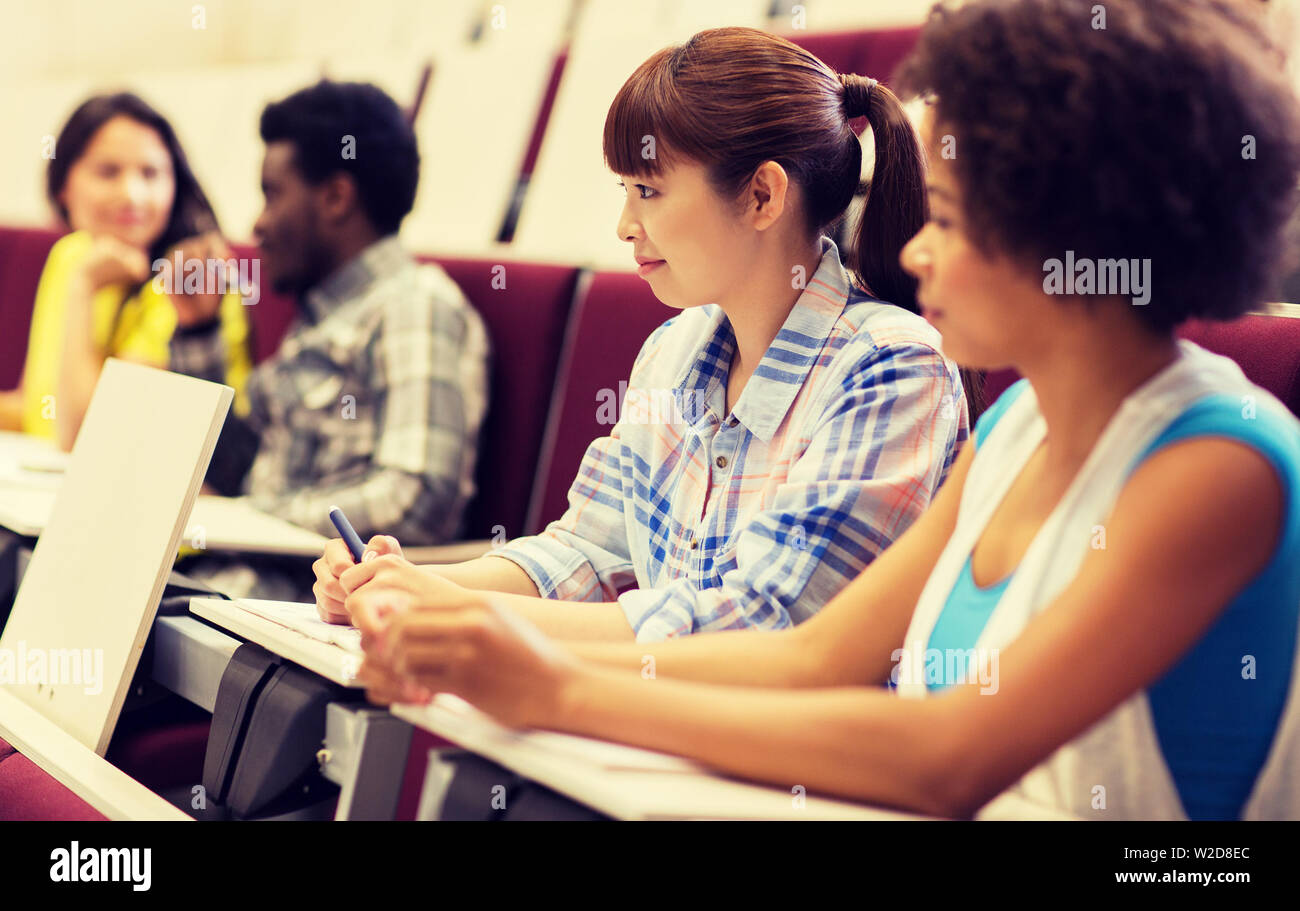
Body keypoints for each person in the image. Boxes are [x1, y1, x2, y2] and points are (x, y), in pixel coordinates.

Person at [354, 0, 1300, 820]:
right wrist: (495, 640)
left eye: (954, 220)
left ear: (1074, 239)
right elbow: (809, 659)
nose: (916, 254)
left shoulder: (1219, 465)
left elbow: (944, 759)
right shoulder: (1019, 431)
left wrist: (551, 683)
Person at [315, 27, 972, 642]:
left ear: (763, 197)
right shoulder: (673, 349)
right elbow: (586, 554)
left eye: (649, 191)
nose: (625, 225)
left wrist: (454, 610)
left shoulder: (892, 367)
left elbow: (762, 621)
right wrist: (407, 583)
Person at [175, 80, 489, 599]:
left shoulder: (413, 307)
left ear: (336, 197)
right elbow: (236, 472)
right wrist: (199, 330)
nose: (258, 223)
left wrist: (246, 517)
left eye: (272, 194)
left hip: (305, 599)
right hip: (240, 577)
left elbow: (418, 500)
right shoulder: (324, 308)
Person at [0, 93, 251, 450]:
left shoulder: (192, 280)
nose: (133, 194)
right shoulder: (72, 253)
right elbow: (35, 407)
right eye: (108, 172)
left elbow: (88, 438)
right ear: (63, 186)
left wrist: (83, 289)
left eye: (151, 173)